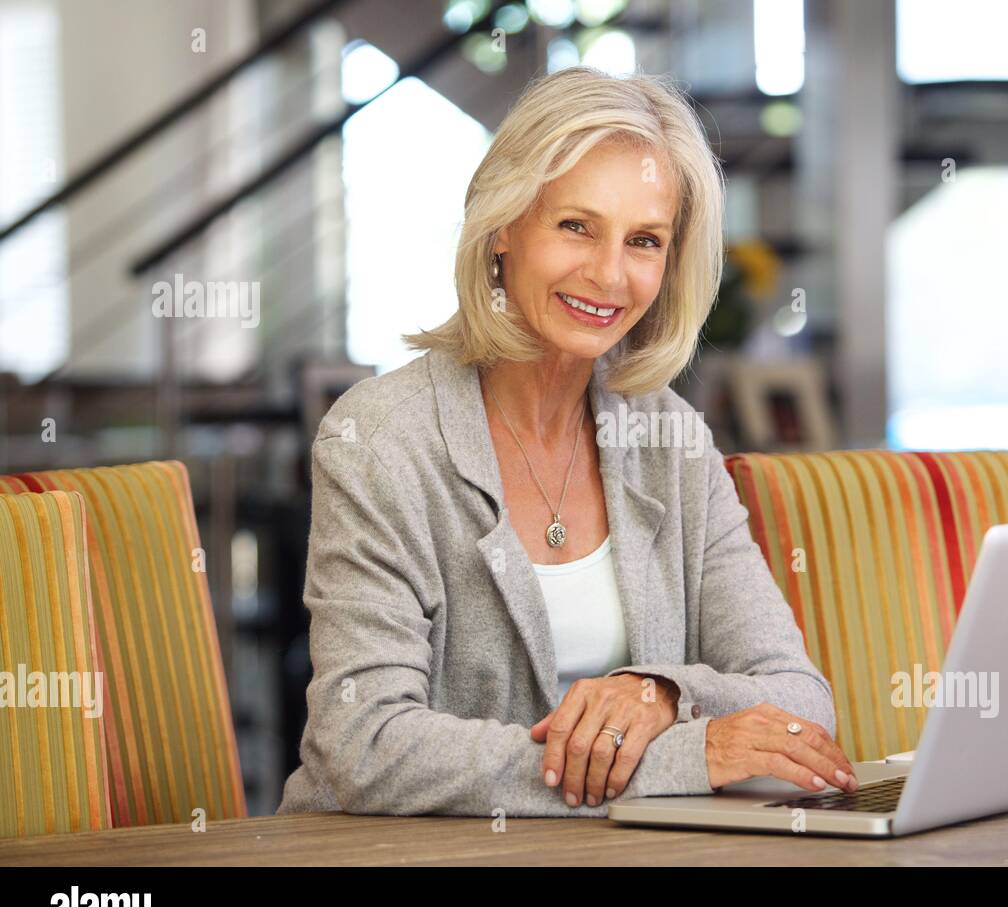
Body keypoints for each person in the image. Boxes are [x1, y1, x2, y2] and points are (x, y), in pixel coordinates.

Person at [278, 66, 856, 818]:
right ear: (505, 227)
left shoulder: (670, 437)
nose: (608, 275)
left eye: (644, 241)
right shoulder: (379, 439)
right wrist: (682, 756)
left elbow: (801, 703)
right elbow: (364, 743)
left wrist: (661, 693)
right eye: (576, 226)